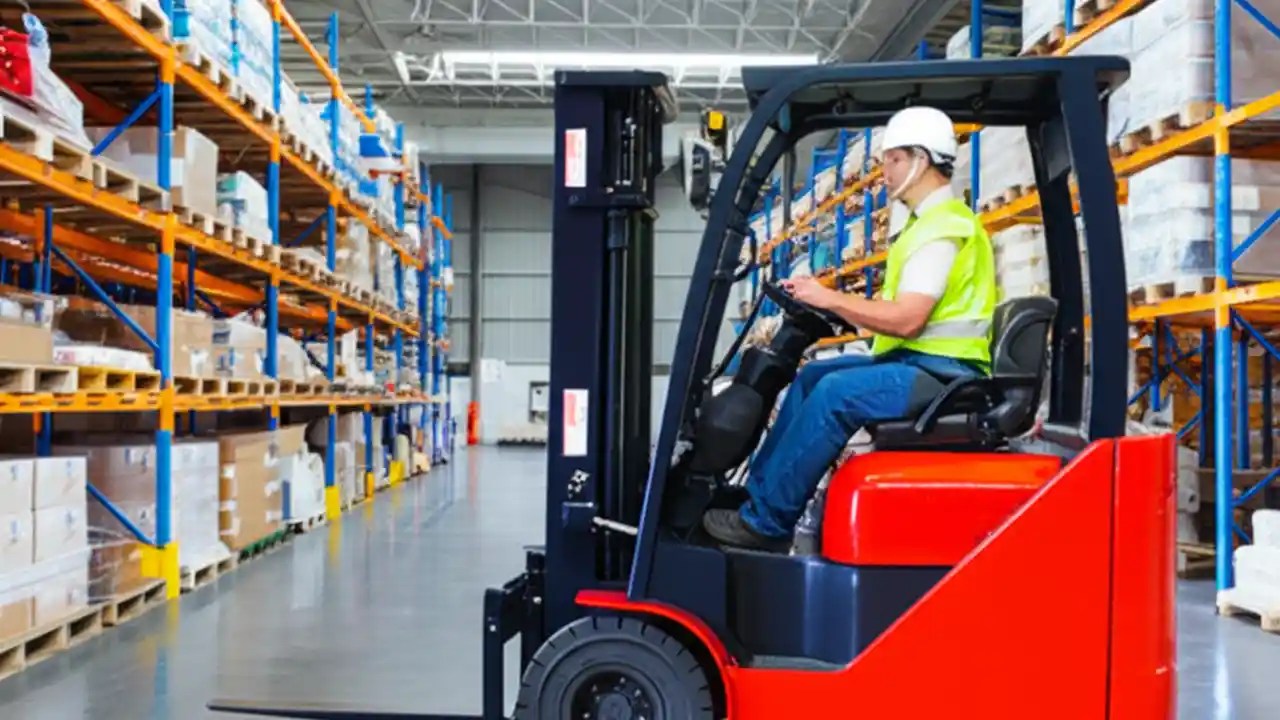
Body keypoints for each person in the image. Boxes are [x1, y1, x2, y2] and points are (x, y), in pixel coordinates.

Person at [702, 106, 998, 552]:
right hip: (923, 363)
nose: (883, 171)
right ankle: (753, 499)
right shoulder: (925, 226)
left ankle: (766, 523)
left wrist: (830, 298)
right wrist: (827, 300)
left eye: (891, 159)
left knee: (835, 394)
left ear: (919, 159)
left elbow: (907, 318)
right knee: (811, 378)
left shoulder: (943, 229)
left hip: (947, 374)